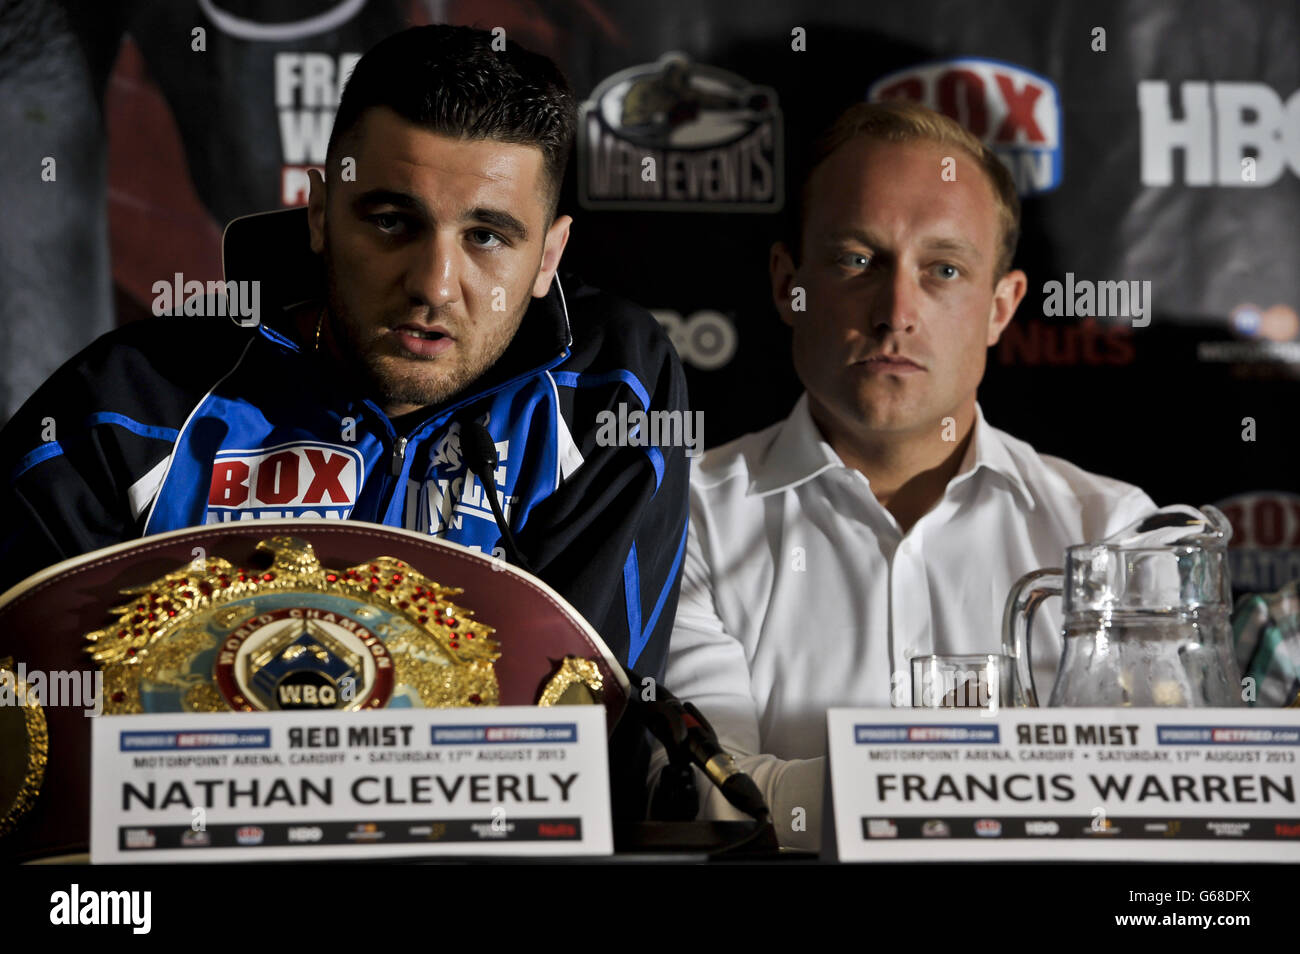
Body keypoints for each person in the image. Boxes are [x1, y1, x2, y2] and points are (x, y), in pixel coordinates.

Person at [0, 24, 689, 817]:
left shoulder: (607, 393)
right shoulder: (126, 408)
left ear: (549, 258)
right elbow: (44, 753)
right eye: (393, 221)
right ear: (320, 213)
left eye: (488, 236)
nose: (434, 283)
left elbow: (575, 742)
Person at [649, 101, 1156, 849]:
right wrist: (1007, 780)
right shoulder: (680, 515)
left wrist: (887, 786)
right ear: (788, 281)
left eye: (943, 270)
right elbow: (716, 800)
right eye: (857, 259)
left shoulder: (1111, 531)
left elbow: (1147, 807)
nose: (895, 311)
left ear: (1001, 307)